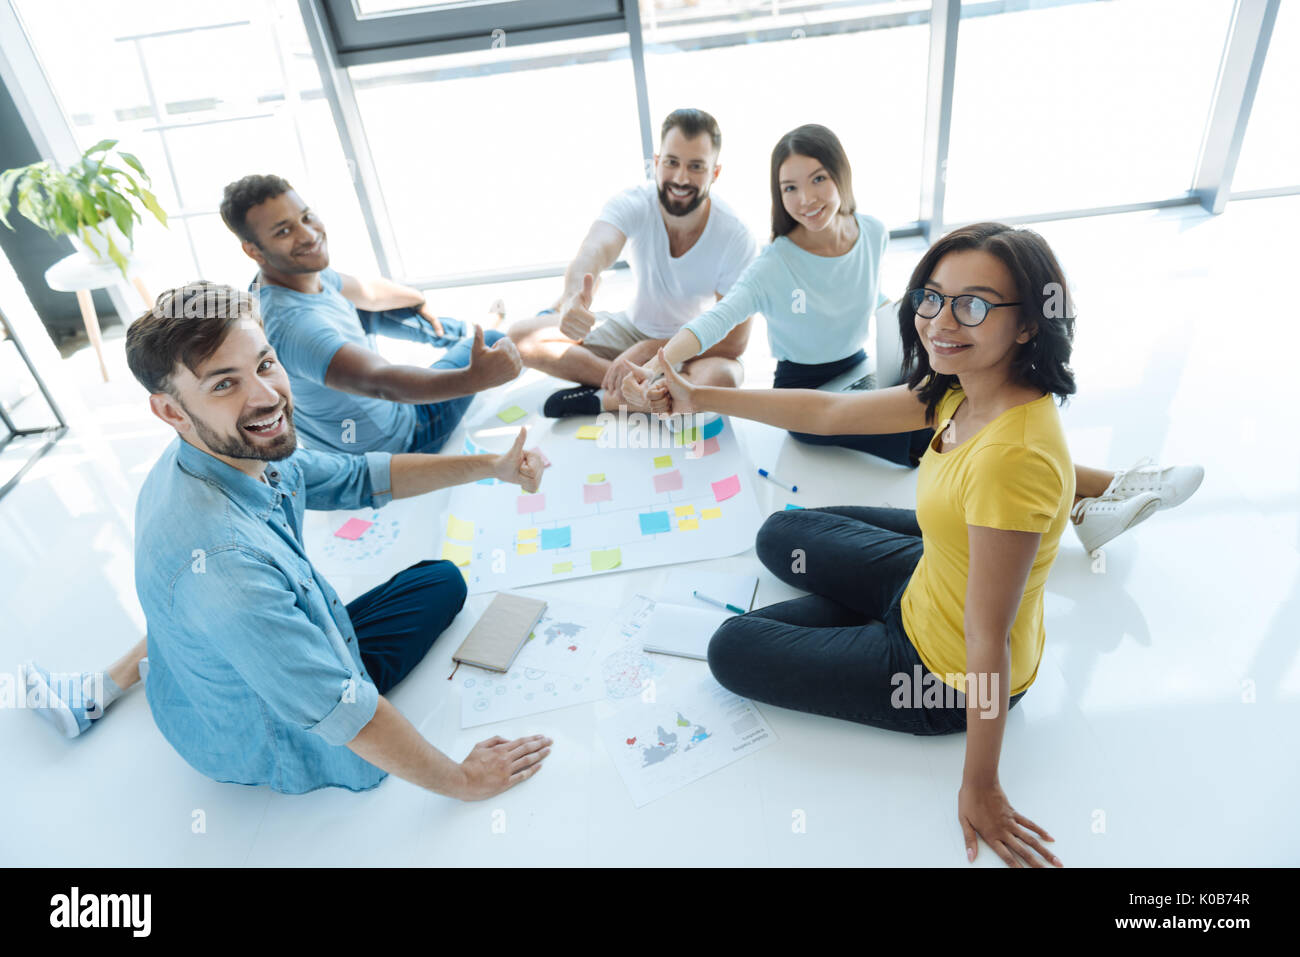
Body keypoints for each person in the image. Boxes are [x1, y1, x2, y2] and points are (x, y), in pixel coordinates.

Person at [648, 222, 1110, 866]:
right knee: (781, 532)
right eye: (932, 297)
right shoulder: (962, 387)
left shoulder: (1014, 460)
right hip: (927, 574)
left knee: (732, 649)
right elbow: (832, 414)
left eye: (973, 305)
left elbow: (988, 638)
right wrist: (700, 395)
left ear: (1028, 324)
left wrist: (981, 783)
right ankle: (866, 609)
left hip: (939, 668)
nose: (941, 321)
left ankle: (869, 625)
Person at [27, 283, 552, 797]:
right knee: (431, 592)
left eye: (264, 364)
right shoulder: (226, 564)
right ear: (171, 411)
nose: (266, 396)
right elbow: (338, 708)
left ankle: (107, 685)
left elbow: (355, 478)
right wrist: (464, 780)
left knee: (436, 578)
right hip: (267, 736)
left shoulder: (222, 449)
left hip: (200, 677)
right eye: (223, 384)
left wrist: (491, 466)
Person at [624, 124, 1203, 551]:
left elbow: (872, 300)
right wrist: (660, 368)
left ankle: (1092, 506)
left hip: (863, 367)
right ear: (778, 198)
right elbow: (712, 324)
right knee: (935, 421)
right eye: (790, 188)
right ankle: (1108, 487)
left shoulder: (870, 230)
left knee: (970, 393)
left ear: (840, 176)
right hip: (808, 389)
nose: (807, 199)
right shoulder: (774, 263)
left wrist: (918, 341)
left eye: (818, 179)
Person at [220, 174, 523, 455]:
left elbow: (368, 293)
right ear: (254, 251)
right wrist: (475, 378)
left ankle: (462, 335)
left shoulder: (287, 277)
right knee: (496, 338)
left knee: (370, 311)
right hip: (398, 442)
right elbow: (382, 382)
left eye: (306, 216)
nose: (309, 234)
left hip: (342, 433)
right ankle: (479, 337)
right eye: (284, 231)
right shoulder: (295, 325)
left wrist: (417, 299)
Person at [506, 108, 758, 417]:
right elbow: (594, 250)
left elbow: (734, 343)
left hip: (696, 345)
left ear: (714, 173)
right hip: (630, 327)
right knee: (521, 338)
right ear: (656, 163)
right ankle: (645, 392)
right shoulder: (634, 202)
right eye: (672, 162)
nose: (681, 178)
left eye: (696, 166)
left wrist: (654, 350)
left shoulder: (735, 235)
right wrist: (573, 297)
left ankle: (602, 399)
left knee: (724, 377)